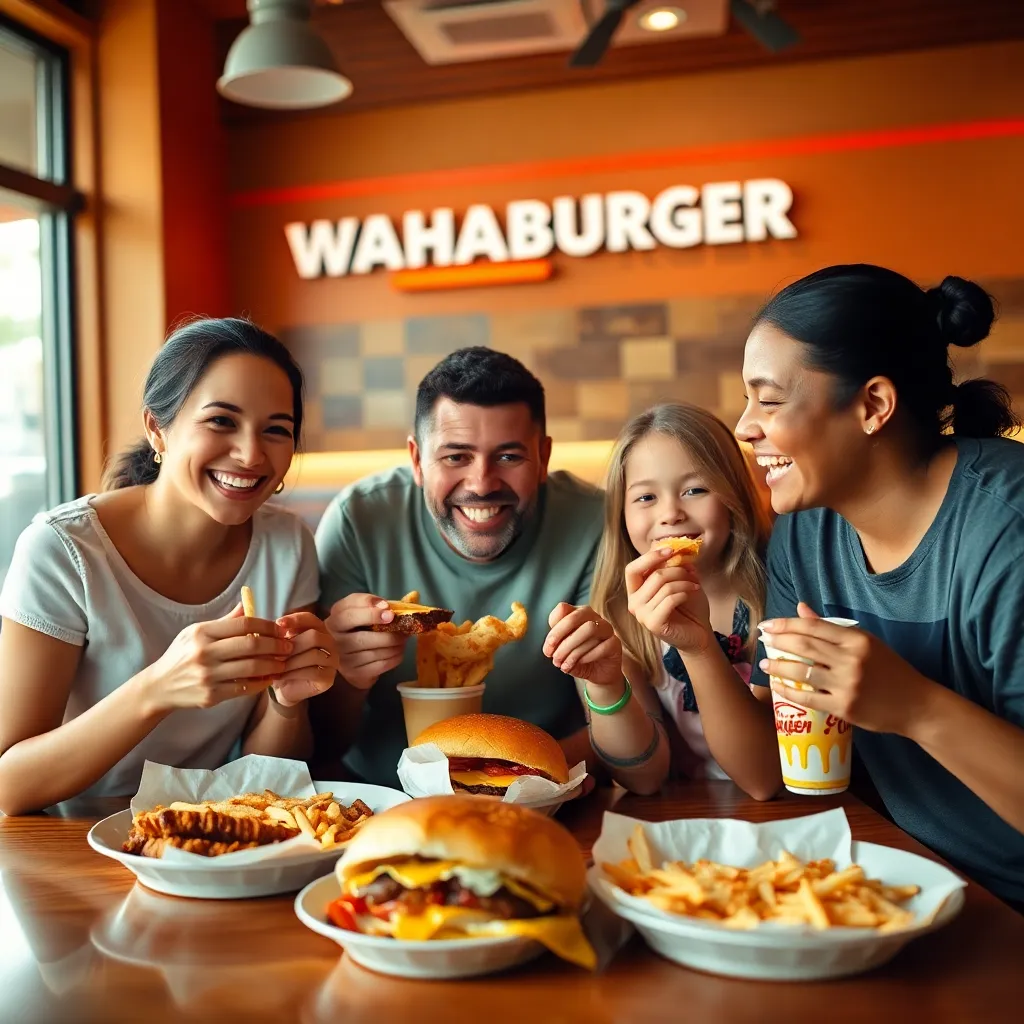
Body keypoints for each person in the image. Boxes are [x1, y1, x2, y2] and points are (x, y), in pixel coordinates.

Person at [736, 264, 1024, 907]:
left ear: (872, 406)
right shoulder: (806, 532)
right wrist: (692, 646)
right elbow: (777, 755)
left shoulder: (1008, 533)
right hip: (897, 880)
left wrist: (916, 707)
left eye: (770, 399)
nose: (745, 426)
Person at [0, 318, 339, 813]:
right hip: (70, 849)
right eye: (221, 421)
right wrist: (158, 688)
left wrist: (286, 703)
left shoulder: (286, 545)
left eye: (276, 430)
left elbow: (268, 773)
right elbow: (9, 784)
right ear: (157, 428)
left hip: (213, 837)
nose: (250, 454)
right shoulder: (62, 551)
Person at [313, 347, 604, 787]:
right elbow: (319, 743)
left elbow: (612, 723)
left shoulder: (594, 524)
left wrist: (505, 780)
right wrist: (346, 676)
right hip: (374, 799)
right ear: (416, 460)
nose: (482, 484)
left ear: (543, 458)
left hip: (548, 797)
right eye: (455, 457)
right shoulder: (358, 521)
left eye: (509, 456)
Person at [562, 403, 778, 798]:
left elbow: (765, 781)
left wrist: (698, 647)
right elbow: (644, 779)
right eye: (645, 497)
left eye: (695, 490)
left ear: (735, 495)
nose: (671, 514)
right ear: (620, 516)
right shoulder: (620, 618)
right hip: (683, 822)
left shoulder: (776, 594)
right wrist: (609, 689)